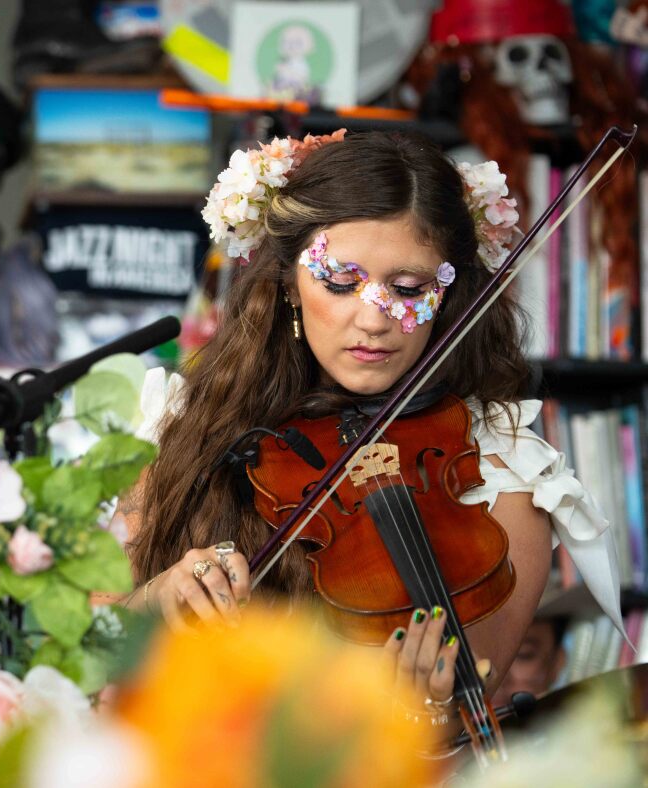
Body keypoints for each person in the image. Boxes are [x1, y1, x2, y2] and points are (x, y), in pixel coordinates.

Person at [121, 131, 622, 739]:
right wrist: (153, 602)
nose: (374, 318)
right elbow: (83, 649)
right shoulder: (187, 423)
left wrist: (424, 708)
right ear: (287, 283)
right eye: (339, 279)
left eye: (409, 289)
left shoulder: (500, 465)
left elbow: (457, 717)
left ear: (450, 294)